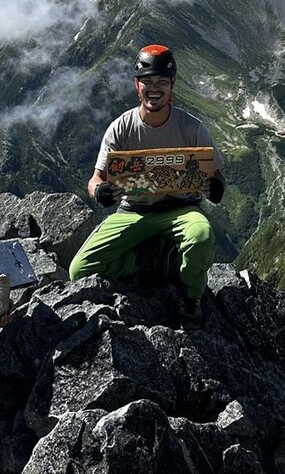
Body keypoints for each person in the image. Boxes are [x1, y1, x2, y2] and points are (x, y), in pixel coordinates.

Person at [68, 44, 225, 324]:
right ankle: (150, 263)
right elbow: (95, 179)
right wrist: (99, 192)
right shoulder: (121, 128)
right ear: (136, 86)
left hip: (180, 208)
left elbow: (215, 175)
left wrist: (216, 187)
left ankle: (190, 296)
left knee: (201, 235)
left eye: (161, 82)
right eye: (147, 82)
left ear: (172, 85)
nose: (154, 89)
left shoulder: (192, 128)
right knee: (79, 269)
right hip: (133, 210)